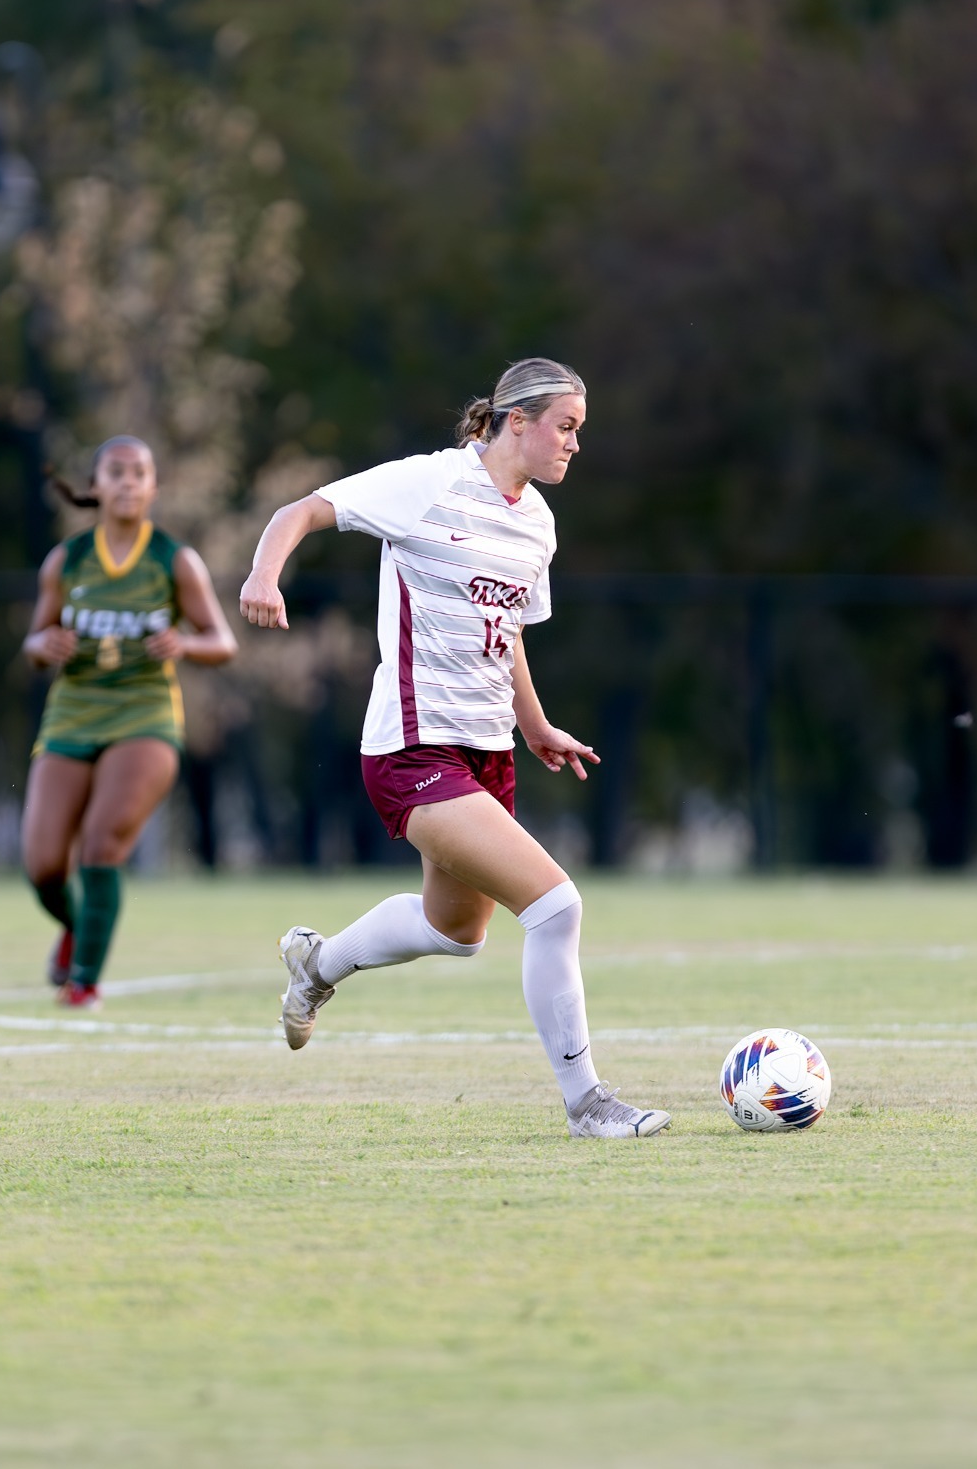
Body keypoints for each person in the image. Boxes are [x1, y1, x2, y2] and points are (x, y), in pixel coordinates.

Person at [238, 359, 670, 1138]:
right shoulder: (429, 483)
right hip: (412, 747)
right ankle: (588, 1104)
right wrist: (265, 575)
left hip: (485, 748)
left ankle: (317, 964)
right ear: (517, 421)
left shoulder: (537, 523)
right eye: (566, 427)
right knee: (556, 906)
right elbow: (300, 511)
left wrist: (534, 725)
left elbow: (507, 635)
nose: (575, 443)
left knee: (456, 932)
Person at [21, 436, 239, 1008]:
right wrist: (45, 644)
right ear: (95, 486)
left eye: (138, 473)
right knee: (43, 867)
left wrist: (185, 644)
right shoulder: (67, 560)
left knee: (100, 846)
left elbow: (223, 641)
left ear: (153, 487)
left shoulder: (173, 559)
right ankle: (77, 927)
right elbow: (33, 641)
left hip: (145, 717)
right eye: (115, 472)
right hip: (72, 714)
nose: (126, 482)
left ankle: (83, 983)